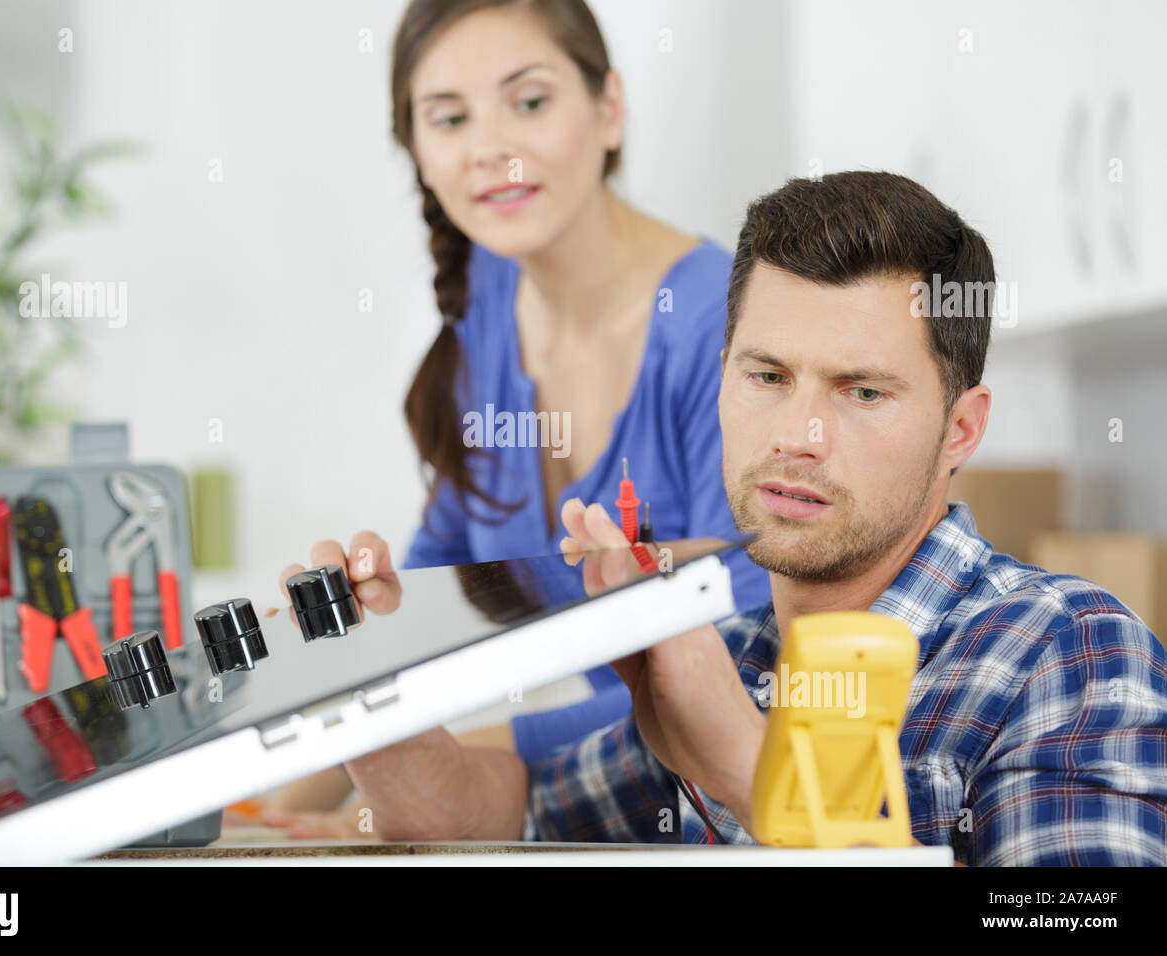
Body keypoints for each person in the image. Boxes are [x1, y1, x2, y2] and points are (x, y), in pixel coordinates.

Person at [287, 171, 1167, 865]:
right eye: (767, 376)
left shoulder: (1070, 653)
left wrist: (745, 767)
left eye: (863, 391)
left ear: (961, 429)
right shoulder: (738, 654)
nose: (799, 435)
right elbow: (492, 813)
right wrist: (362, 686)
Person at [261, 0, 769, 829]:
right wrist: (291, 804)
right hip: (610, 801)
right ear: (417, 151)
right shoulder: (489, 306)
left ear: (608, 108)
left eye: (528, 102)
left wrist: (460, 763)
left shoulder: (716, 321)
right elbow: (442, 582)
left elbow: (751, 667)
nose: (492, 147)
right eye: (449, 118)